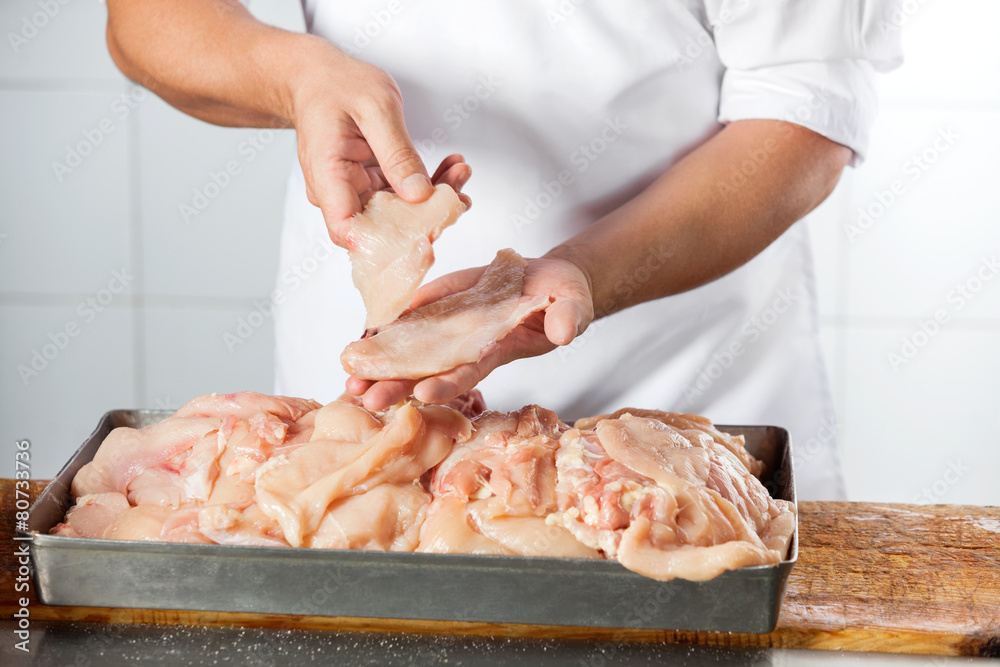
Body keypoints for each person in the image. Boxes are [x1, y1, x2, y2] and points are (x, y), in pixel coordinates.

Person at [105, 0, 902, 500]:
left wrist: (584, 274)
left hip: (686, 430)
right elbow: (148, 19)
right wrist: (297, 74)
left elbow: (802, 115)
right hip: (354, 433)